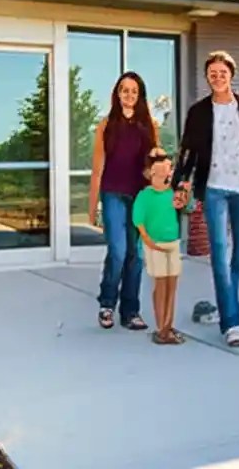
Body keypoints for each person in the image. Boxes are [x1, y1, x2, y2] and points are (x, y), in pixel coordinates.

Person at [175, 51, 239, 348]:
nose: (217, 77)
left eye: (222, 72)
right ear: (207, 77)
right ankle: (231, 322)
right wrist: (181, 183)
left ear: (231, 75)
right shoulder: (199, 112)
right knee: (220, 253)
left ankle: (227, 304)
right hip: (214, 189)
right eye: (212, 73)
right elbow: (187, 152)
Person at [88, 71, 161, 331]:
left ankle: (130, 311)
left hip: (139, 197)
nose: (128, 95)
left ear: (139, 95)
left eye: (133, 91)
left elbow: (155, 166)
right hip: (112, 194)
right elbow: (98, 168)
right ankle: (107, 303)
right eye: (124, 90)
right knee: (117, 251)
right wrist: (92, 206)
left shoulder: (149, 124)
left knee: (136, 255)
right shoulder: (106, 124)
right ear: (117, 94)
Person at [133, 147, 184, 345]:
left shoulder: (173, 192)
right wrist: (146, 240)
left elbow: (187, 207)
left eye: (168, 165)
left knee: (172, 284)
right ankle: (161, 327)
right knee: (161, 283)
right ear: (150, 171)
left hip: (173, 242)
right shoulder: (145, 195)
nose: (166, 169)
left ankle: (167, 326)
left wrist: (184, 198)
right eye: (161, 163)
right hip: (155, 244)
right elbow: (138, 219)